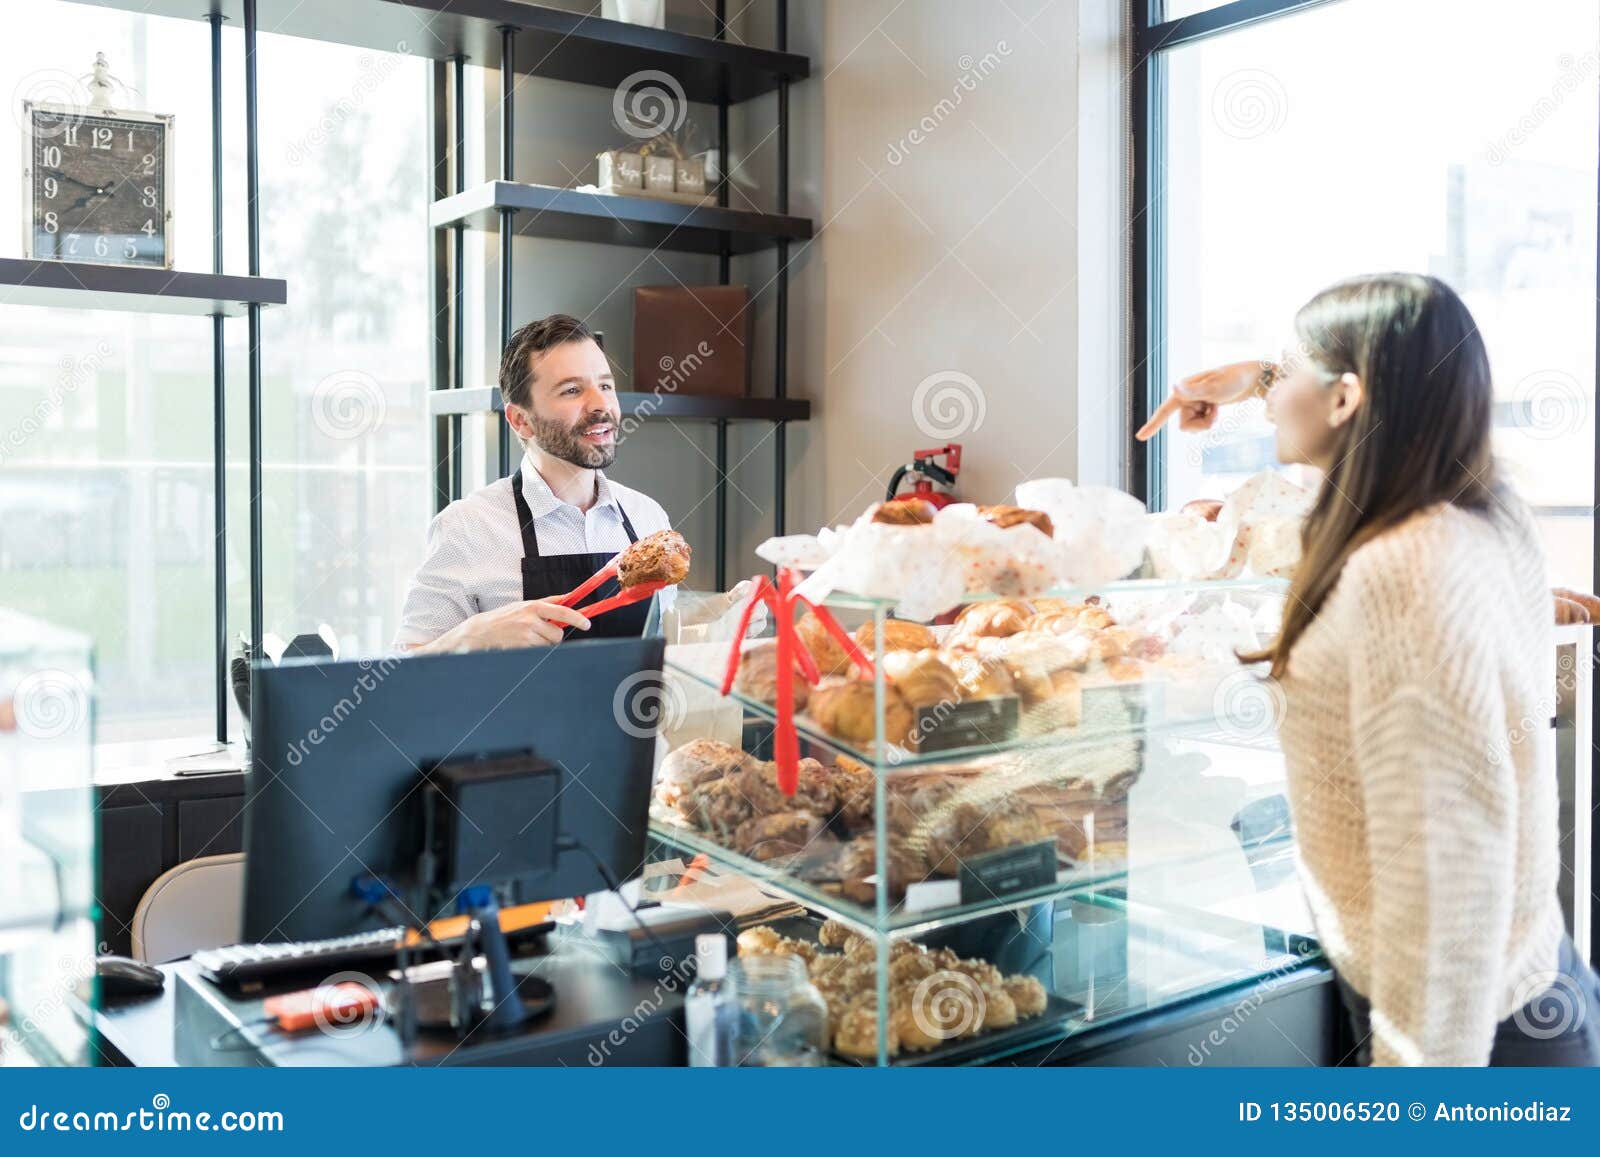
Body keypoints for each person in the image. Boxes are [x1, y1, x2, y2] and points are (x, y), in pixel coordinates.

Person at [1142, 273, 1599, 1066]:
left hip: (1465, 1037)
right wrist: (1258, 378)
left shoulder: (1400, 573)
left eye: (1287, 373)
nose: (1273, 391)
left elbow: (1449, 872)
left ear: (1347, 398)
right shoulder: (1481, 510)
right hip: (1531, 994)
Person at [395, 313, 669, 654]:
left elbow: (667, 642)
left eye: (605, 385)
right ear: (521, 421)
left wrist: (726, 621)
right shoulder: (466, 528)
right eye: (572, 390)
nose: (601, 405)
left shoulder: (647, 517)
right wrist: (473, 636)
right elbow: (401, 671)